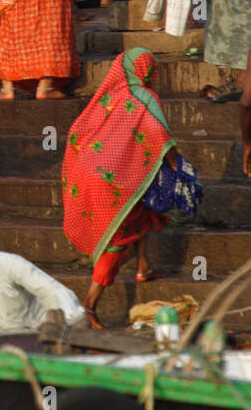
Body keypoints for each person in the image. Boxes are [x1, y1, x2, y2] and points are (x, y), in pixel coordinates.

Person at [64, 48, 199, 327]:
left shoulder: (108, 97)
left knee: (142, 210)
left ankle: (143, 266)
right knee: (116, 242)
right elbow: (158, 134)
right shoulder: (145, 97)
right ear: (146, 70)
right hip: (113, 182)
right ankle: (89, 304)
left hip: (91, 173)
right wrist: (176, 164)